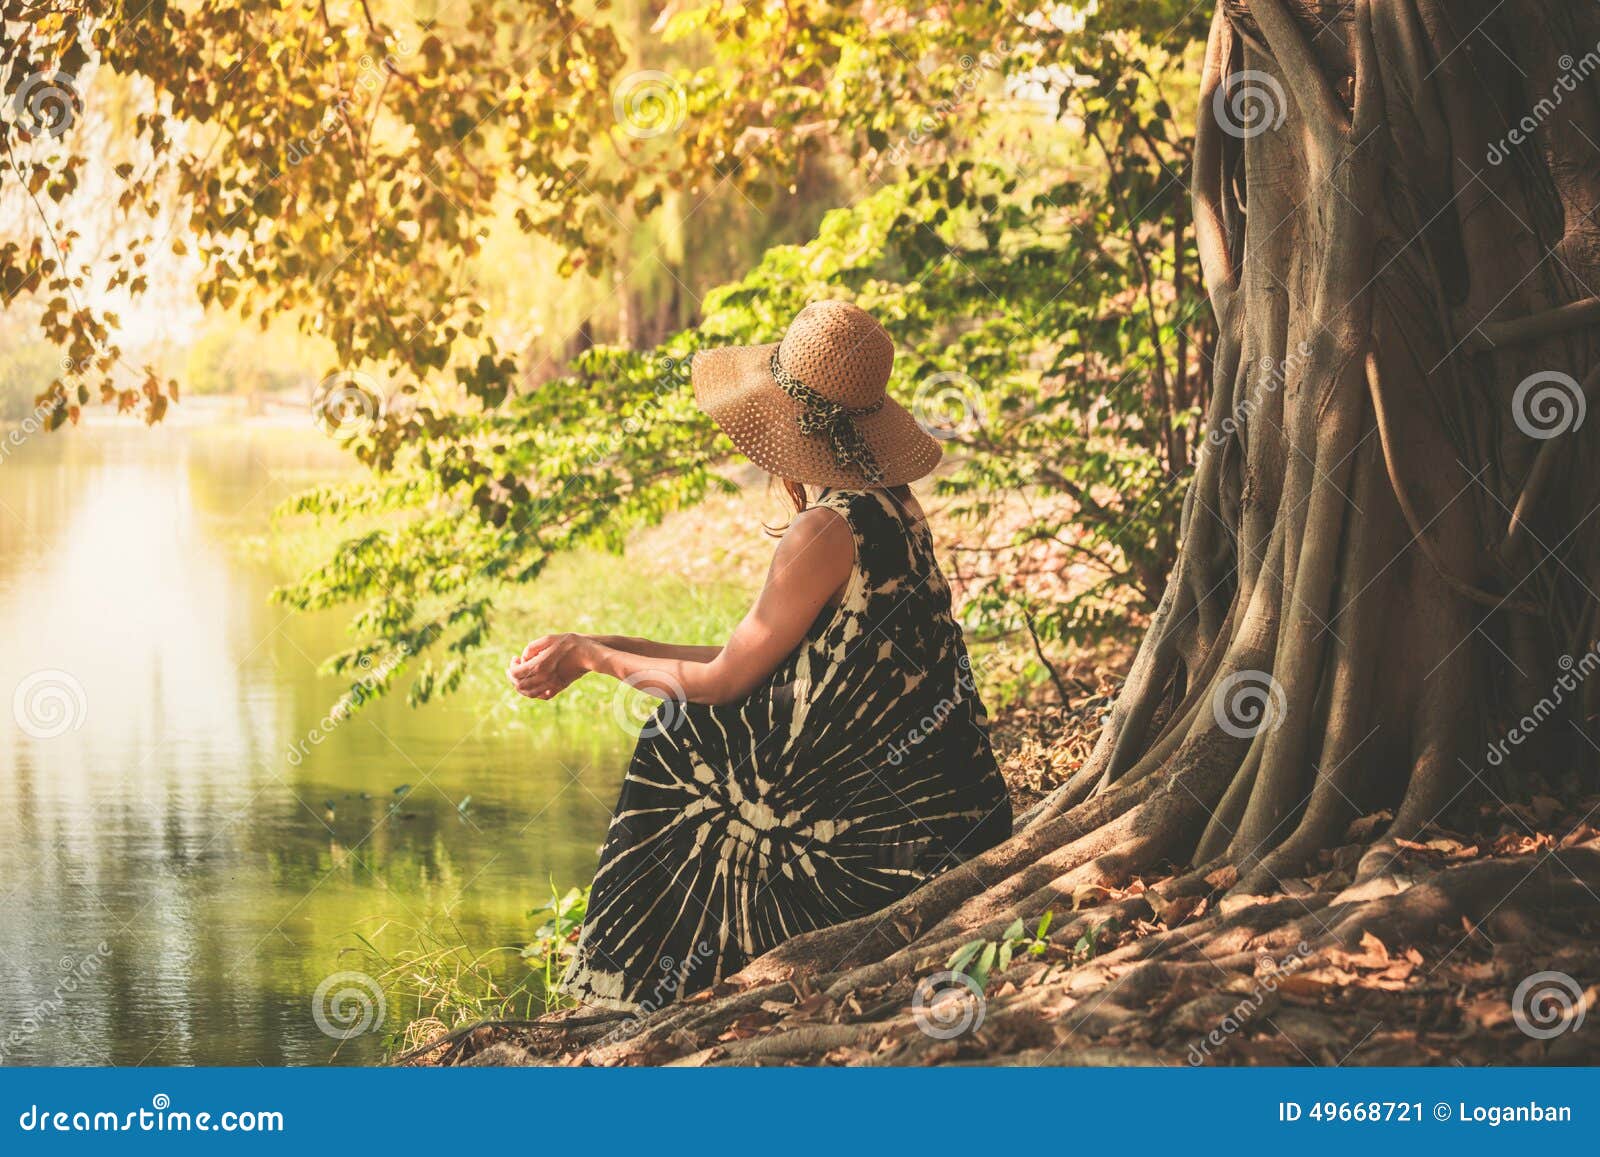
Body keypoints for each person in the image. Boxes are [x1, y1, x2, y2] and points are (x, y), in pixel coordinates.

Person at [507, 300, 1012, 1010]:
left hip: (883, 852)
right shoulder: (892, 508)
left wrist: (591, 659)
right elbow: (748, 658)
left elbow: (721, 681)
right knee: (697, 724)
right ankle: (657, 983)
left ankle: (636, 994)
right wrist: (599, 644)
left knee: (676, 743)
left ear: (793, 422)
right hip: (961, 818)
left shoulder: (824, 528)